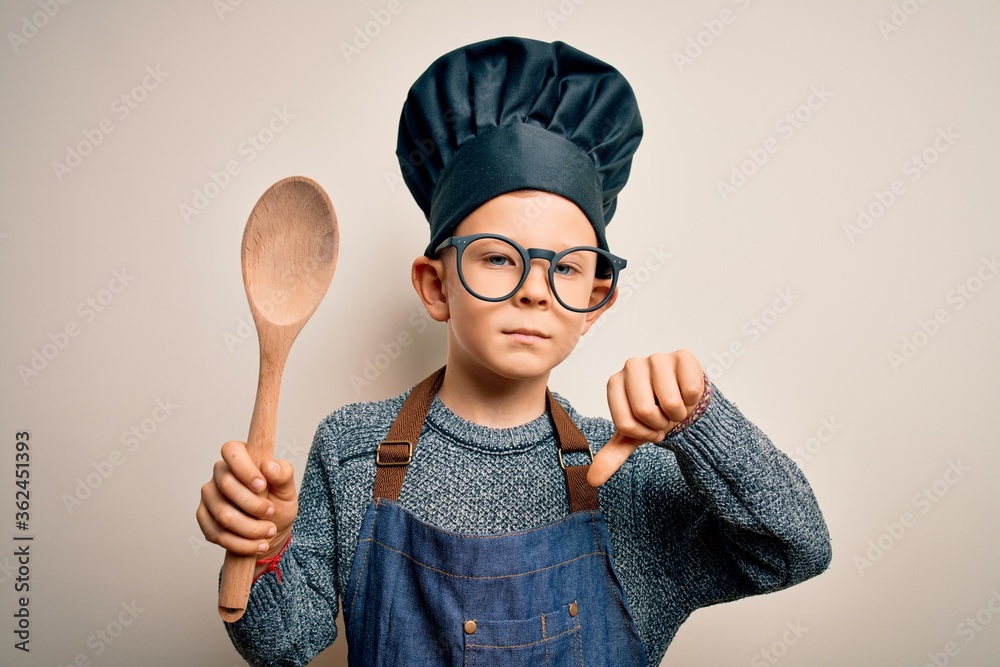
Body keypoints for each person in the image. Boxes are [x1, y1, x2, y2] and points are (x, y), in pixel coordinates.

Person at [197, 36, 832, 667]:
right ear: (435, 284)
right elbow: (280, 647)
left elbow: (796, 550)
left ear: (597, 299)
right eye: (499, 258)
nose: (534, 291)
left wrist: (703, 422)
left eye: (568, 269)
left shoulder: (630, 475)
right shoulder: (353, 448)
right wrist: (266, 541)